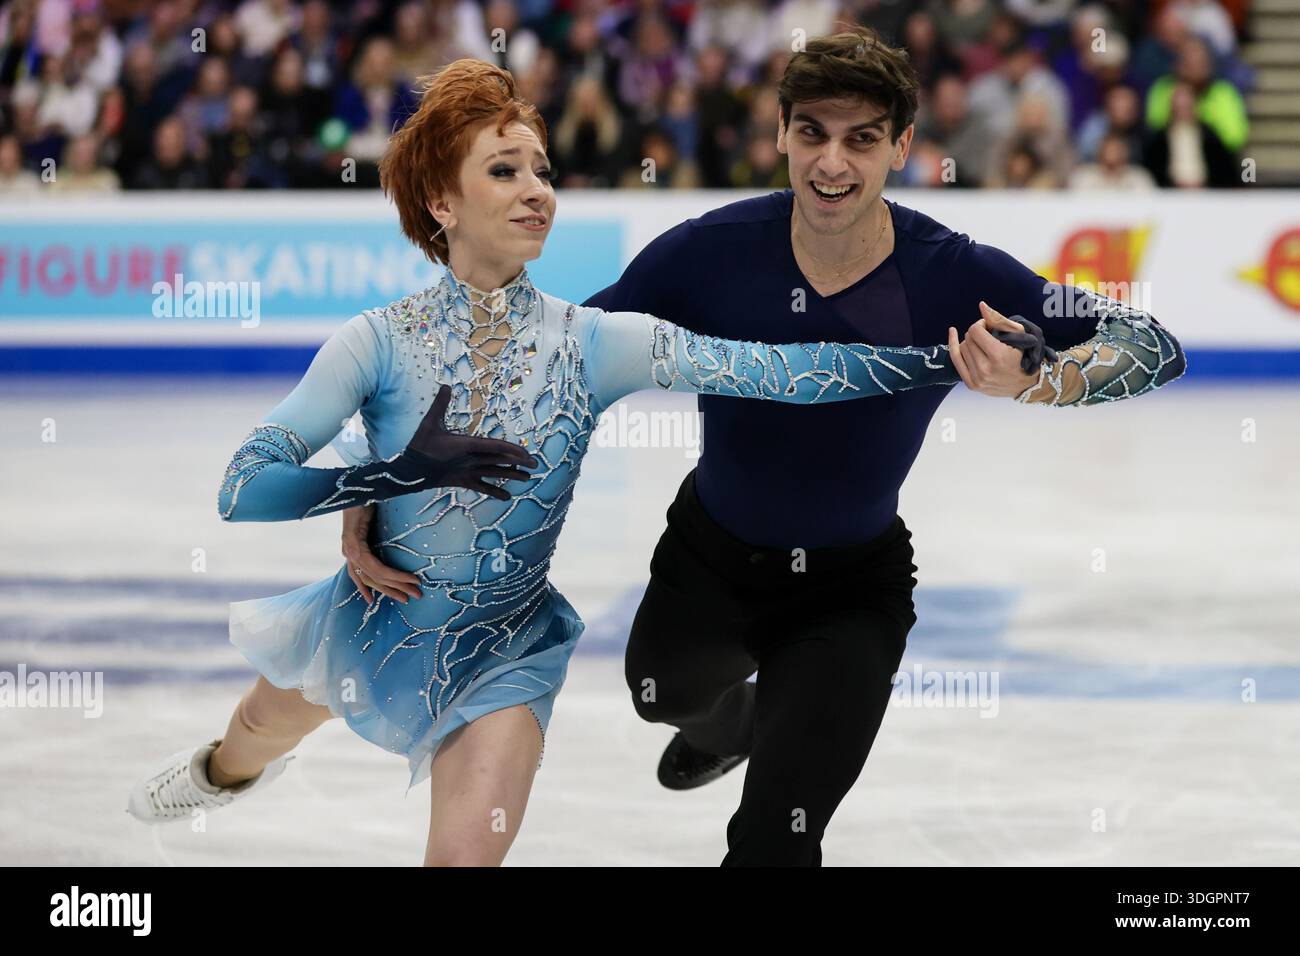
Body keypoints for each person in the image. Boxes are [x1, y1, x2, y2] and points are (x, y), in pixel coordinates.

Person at [124, 59, 1044, 866]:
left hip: (505, 656)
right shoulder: (376, 342)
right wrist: (375, 481)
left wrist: (968, 363)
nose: (538, 189)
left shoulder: (595, 343)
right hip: (371, 615)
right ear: (441, 202)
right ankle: (218, 772)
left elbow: (790, 370)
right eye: (504, 170)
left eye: (542, 169)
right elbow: (246, 484)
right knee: (248, 737)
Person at [579, 28, 1184, 865]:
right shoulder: (706, 252)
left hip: (851, 591)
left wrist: (1041, 381)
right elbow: (565, 353)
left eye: (862, 138)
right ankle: (745, 720)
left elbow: (1152, 341)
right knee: (658, 693)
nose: (833, 163)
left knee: (774, 840)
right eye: (813, 134)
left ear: (901, 144)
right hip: (709, 558)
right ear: (781, 132)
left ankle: (782, 727)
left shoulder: (953, 271)